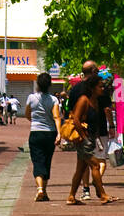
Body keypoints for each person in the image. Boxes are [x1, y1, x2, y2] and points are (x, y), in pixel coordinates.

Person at [67, 75, 115, 206]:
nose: (102, 88)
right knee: (95, 165)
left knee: (81, 169)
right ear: (92, 88)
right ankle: (102, 194)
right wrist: (83, 137)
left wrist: (97, 137)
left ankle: (71, 196)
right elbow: (76, 119)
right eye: (100, 86)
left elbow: (96, 122)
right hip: (84, 140)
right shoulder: (84, 100)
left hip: (92, 138)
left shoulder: (96, 101)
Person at [25, 71, 61, 201]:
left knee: (37, 161)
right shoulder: (54, 99)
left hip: (35, 132)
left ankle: (40, 190)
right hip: (50, 133)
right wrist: (59, 133)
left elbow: (27, 114)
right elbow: (56, 117)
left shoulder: (31, 98)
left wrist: (34, 121)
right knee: (47, 161)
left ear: (38, 84)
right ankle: (44, 191)